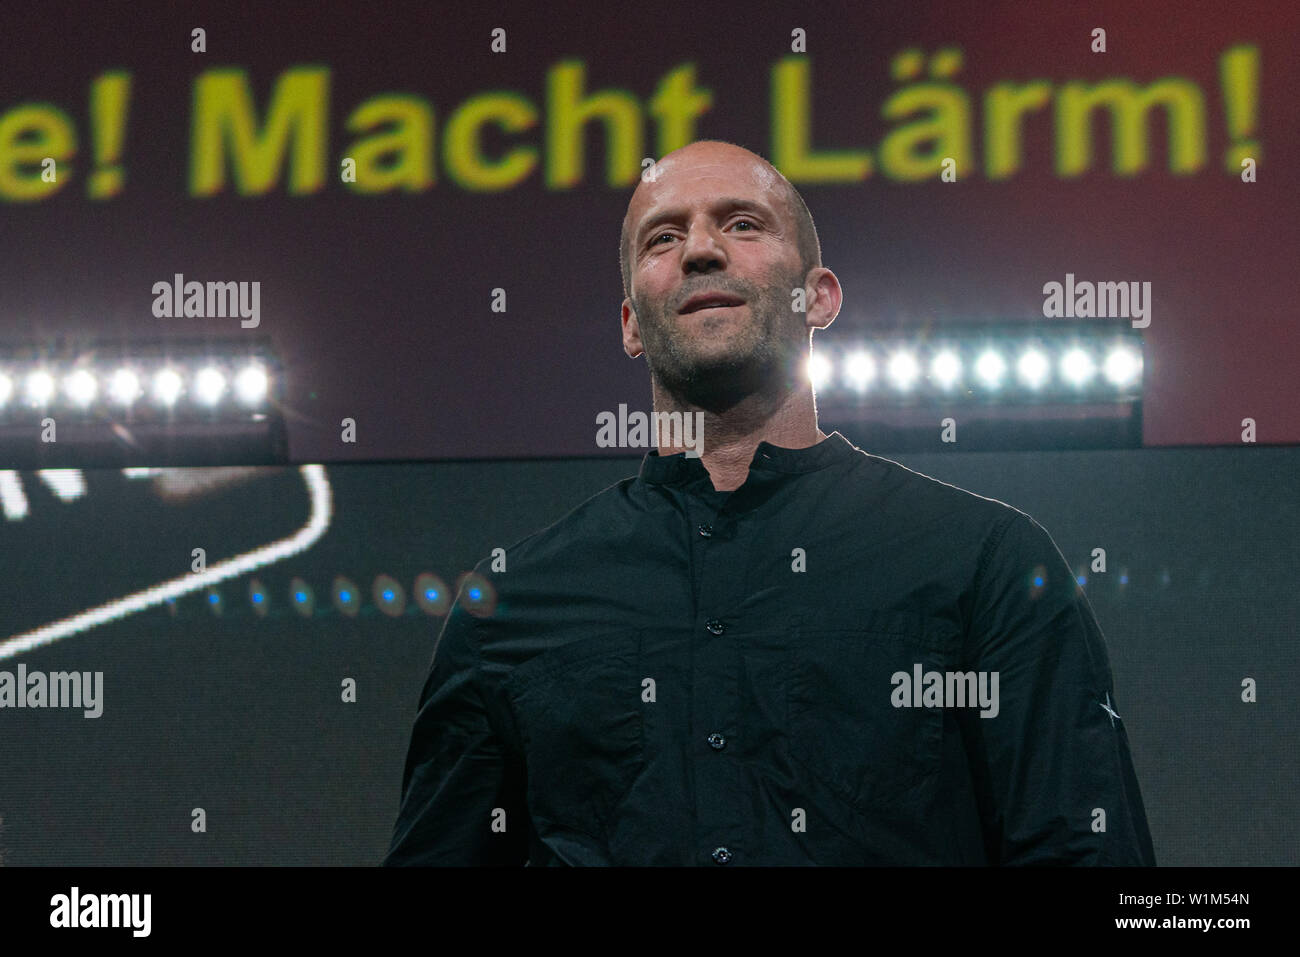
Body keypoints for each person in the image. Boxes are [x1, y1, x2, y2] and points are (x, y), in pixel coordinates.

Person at [383, 140, 1156, 866]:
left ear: (819, 297)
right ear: (628, 323)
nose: (700, 249)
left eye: (742, 224)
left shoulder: (984, 564)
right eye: (661, 239)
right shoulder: (508, 607)